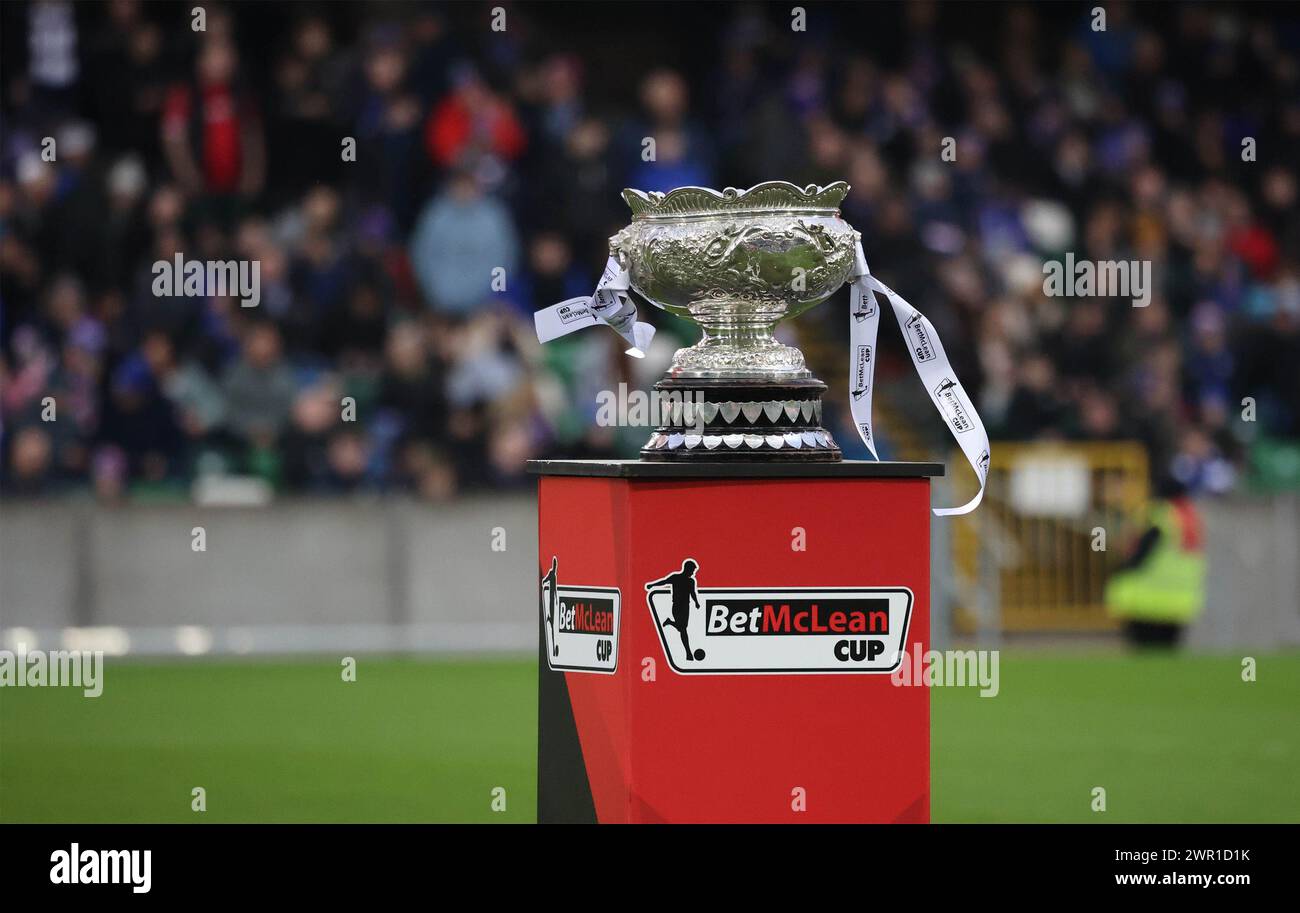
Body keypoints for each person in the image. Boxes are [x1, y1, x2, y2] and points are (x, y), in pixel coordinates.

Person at [1105, 488, 1207, 648]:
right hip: (1178, 601)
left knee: (1145, 658)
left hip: (1145, 601)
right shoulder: (1188, 517)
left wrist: (1120, 567)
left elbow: (1141, 555)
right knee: (1165, 658)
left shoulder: (1158, 515)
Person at [645, 560, 702, 661]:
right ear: (687, 568)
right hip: (676, 606)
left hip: (686, 607)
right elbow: (664, 582)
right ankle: (688, 653)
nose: (693, 572)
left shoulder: (691, 581)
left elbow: (693, 593)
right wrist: (652, 585)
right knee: (683, 629)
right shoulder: (676, 577)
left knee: (682, 628)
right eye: (693, 570)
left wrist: (696, 602)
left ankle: (670, 622)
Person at [541, 557, 559, 656]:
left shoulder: (555, 574)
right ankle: (552, 649)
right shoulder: (552, 573)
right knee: (551, 623)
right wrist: (543, 583)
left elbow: (555, 588)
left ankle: (553, 649)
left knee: (553, 624)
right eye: (554, 564)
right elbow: (546, 579)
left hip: (553, 600)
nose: (555, 566)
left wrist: (557, 599)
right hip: (550, 600)